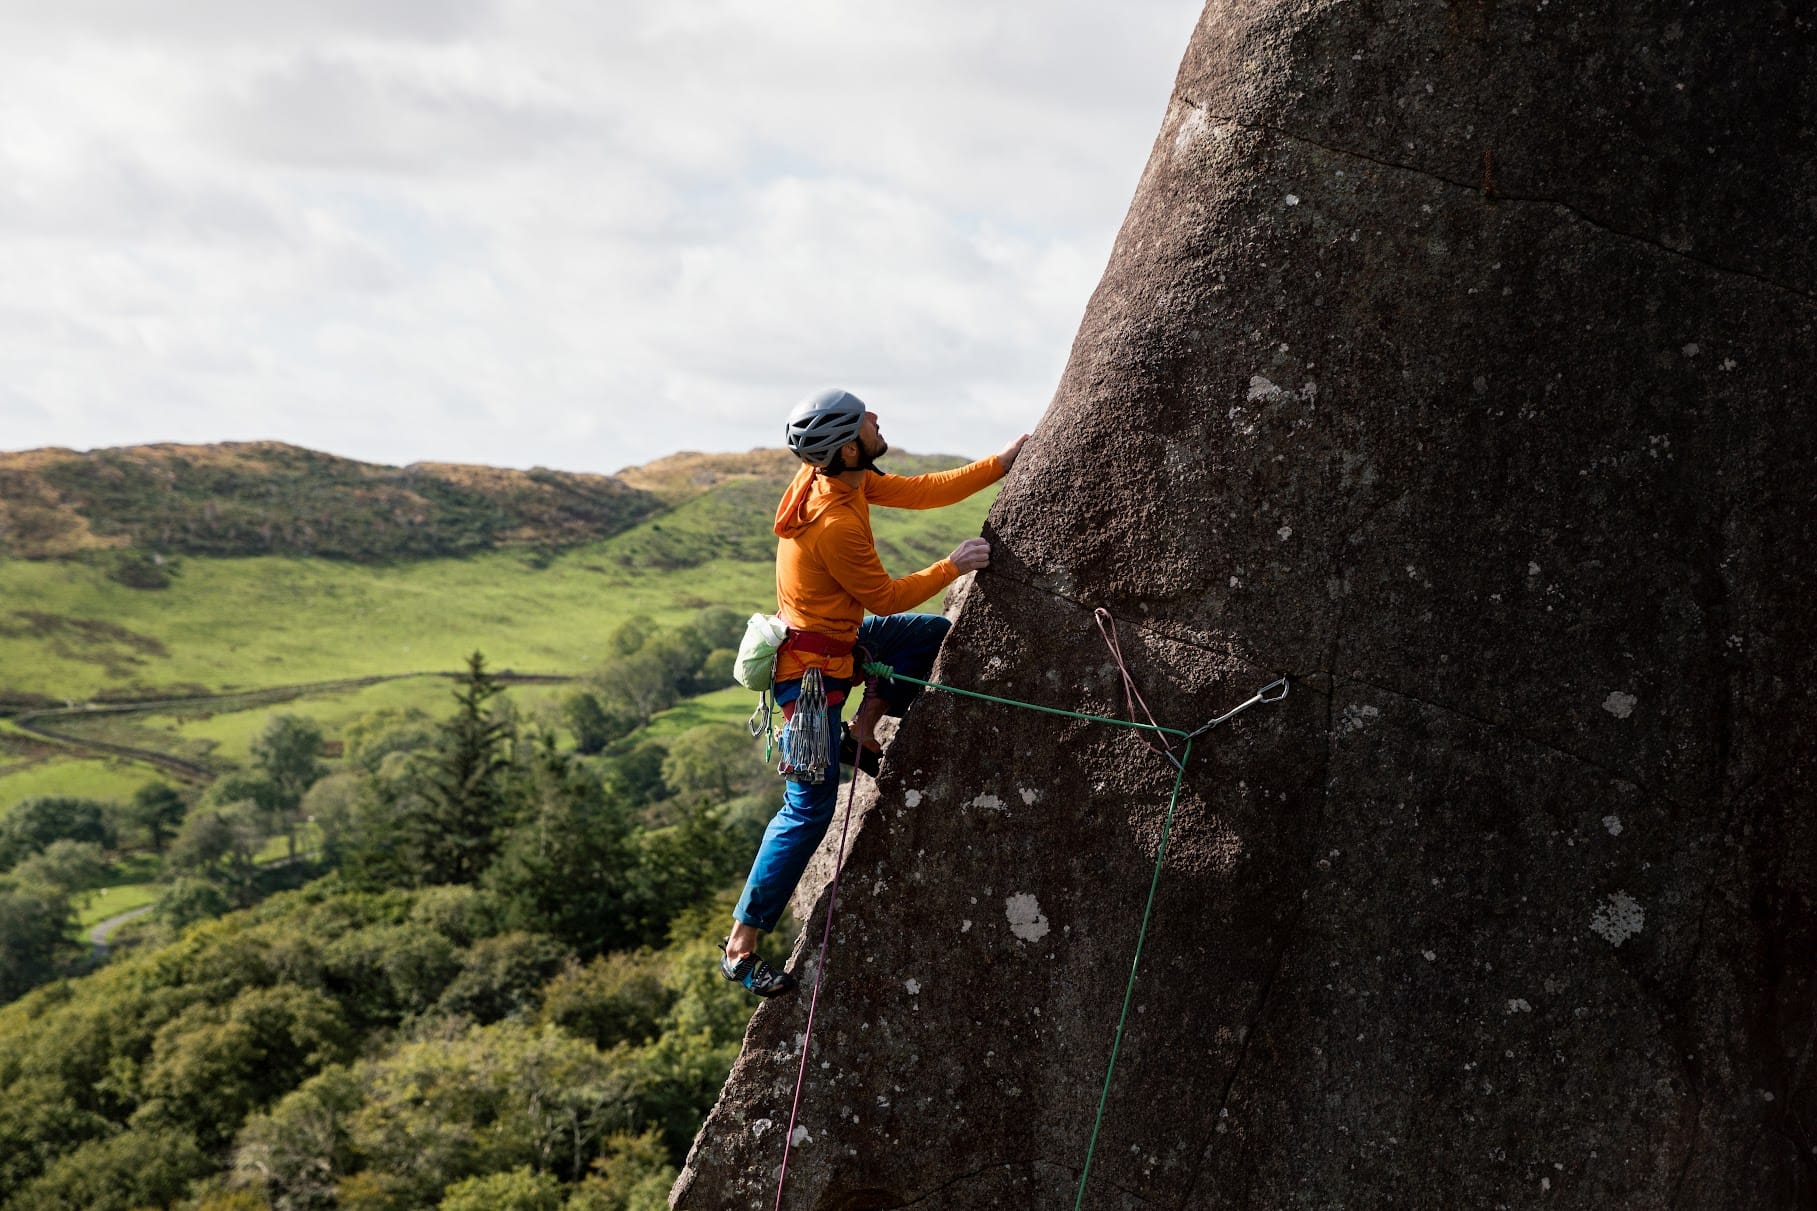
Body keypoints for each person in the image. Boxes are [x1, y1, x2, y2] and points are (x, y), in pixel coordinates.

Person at [720, 387, 1028, 997]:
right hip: (809, 680)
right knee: (808, 811)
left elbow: (919, 491)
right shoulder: (833, 521)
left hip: (838, 646)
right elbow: (884, 597)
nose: (876, 418)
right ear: (846, 446)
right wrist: (952, 566)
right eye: (864, 418)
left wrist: (1000, 464)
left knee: (928, 637)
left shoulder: (838, 481)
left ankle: (861, 732)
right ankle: (740, 947)